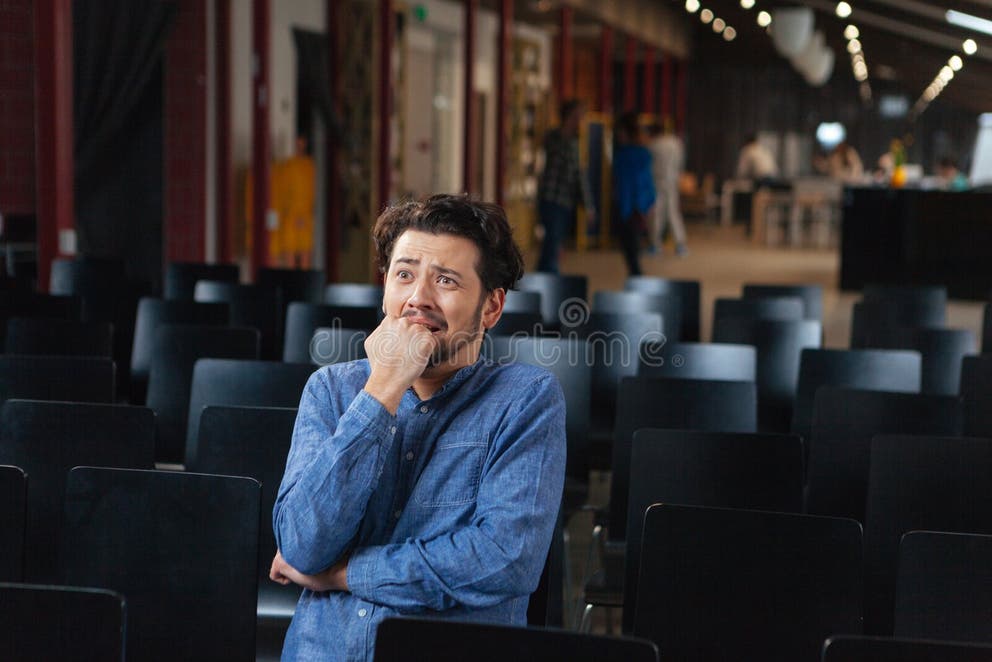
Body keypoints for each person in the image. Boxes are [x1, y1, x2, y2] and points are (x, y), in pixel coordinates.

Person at [269, 194, 567, 662]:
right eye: (404, 274)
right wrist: (383, 389)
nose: (418, 299)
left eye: (445, 280)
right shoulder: (330, 390)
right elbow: (303, 546)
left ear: (491, 308)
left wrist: (346, 575)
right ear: (385, 285)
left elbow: (504, 560)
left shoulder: (526, 400)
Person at [536, 99, 596, 273]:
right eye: (579, 116)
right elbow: (578, 175)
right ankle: (549, 280)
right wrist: (589, 205)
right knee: (552, 244)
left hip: (562, 201)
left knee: (552, 244)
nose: (581, 121)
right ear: (570, 117)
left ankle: (544, 278)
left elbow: (578, 176)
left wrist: (588, 204)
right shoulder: (557, 140)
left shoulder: (570, 142)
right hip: (552, 200)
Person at [612, 111, 656, 276]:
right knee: (631, 252)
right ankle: (636, 279)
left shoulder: (632, 155)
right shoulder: (636, 154)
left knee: (632, 252)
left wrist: (641, 206)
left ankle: (637, 282)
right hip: (630, 207)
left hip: (631, 208)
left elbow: (640, 183)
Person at [647, 119, 688, 257]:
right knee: (673, 213)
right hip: (672, 182)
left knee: (656, 215)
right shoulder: (675, 142)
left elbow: (649, 166)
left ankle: (655, 244)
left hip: (657, 183)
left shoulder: (653, 145)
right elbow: (681, 162)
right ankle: (680, 244)